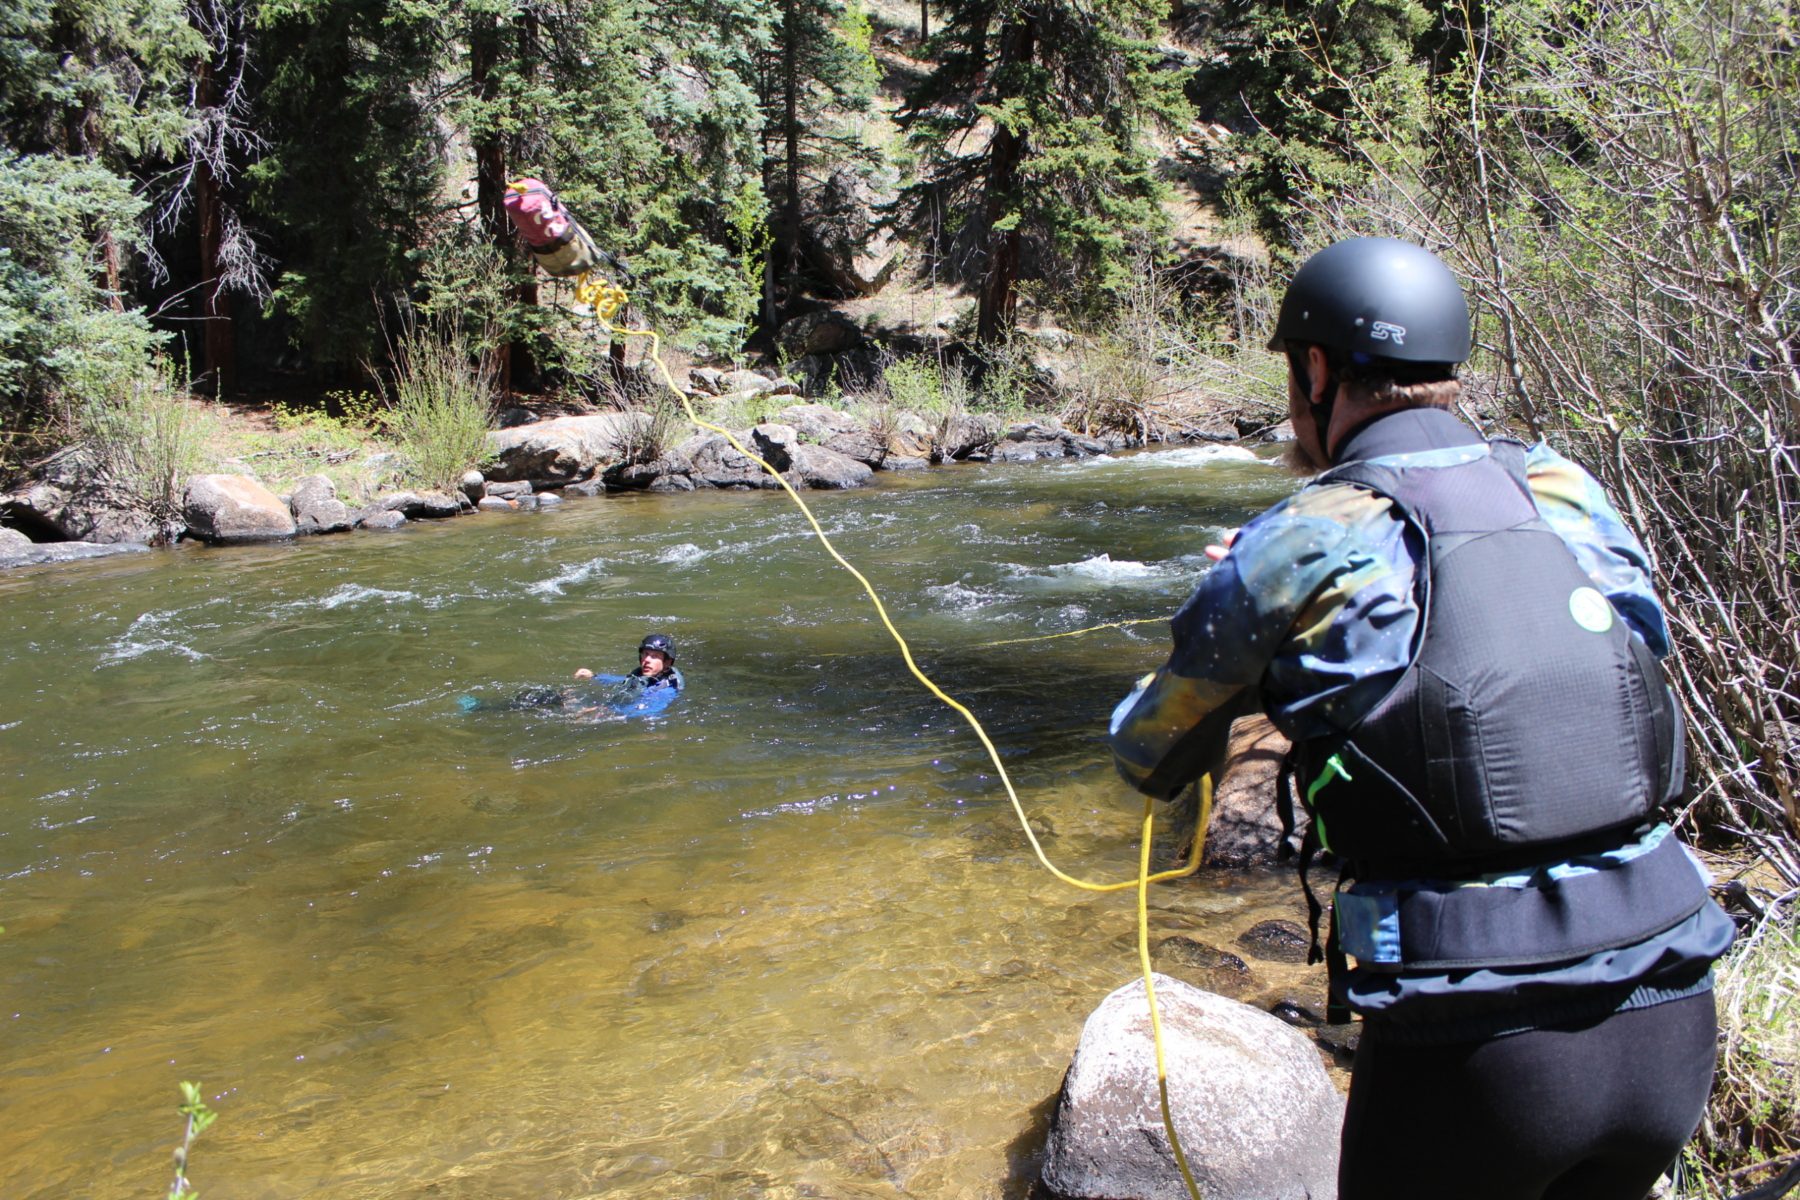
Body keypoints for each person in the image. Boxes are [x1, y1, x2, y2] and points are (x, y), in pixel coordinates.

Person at [1107, 237, 1735, 1200]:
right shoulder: (1557, 482)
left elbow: (1149, 750)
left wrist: (1254, 599)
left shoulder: (1302, 534)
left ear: (1319, 371)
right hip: (1674, 1001)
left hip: (1476, 1045)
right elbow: (1630, 648)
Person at [573, 632, 683, 712]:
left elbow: (648, 710)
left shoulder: (667, 689)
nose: (647, 660)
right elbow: (625, 680)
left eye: (654, 656)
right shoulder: (642, 675)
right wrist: (594, 676)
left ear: (667, 662)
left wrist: (605, 710)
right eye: (645, 654)